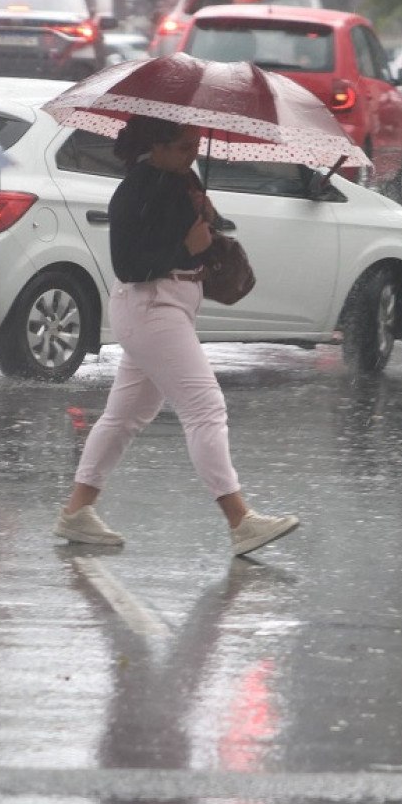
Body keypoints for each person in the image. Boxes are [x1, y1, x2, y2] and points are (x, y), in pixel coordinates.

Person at [54, 116, 300, 556]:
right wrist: (185, 246)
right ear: (158, 147)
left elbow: (200, 236)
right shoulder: (135, 191)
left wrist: (206, 214)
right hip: (150, 307)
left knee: (125, 416)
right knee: (206, 408)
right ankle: (241, 521)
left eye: (196, 144)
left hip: (171, 306)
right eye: (185, 146)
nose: (193, 152)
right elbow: (129, 265)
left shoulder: (181, 180)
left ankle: (77, 512)